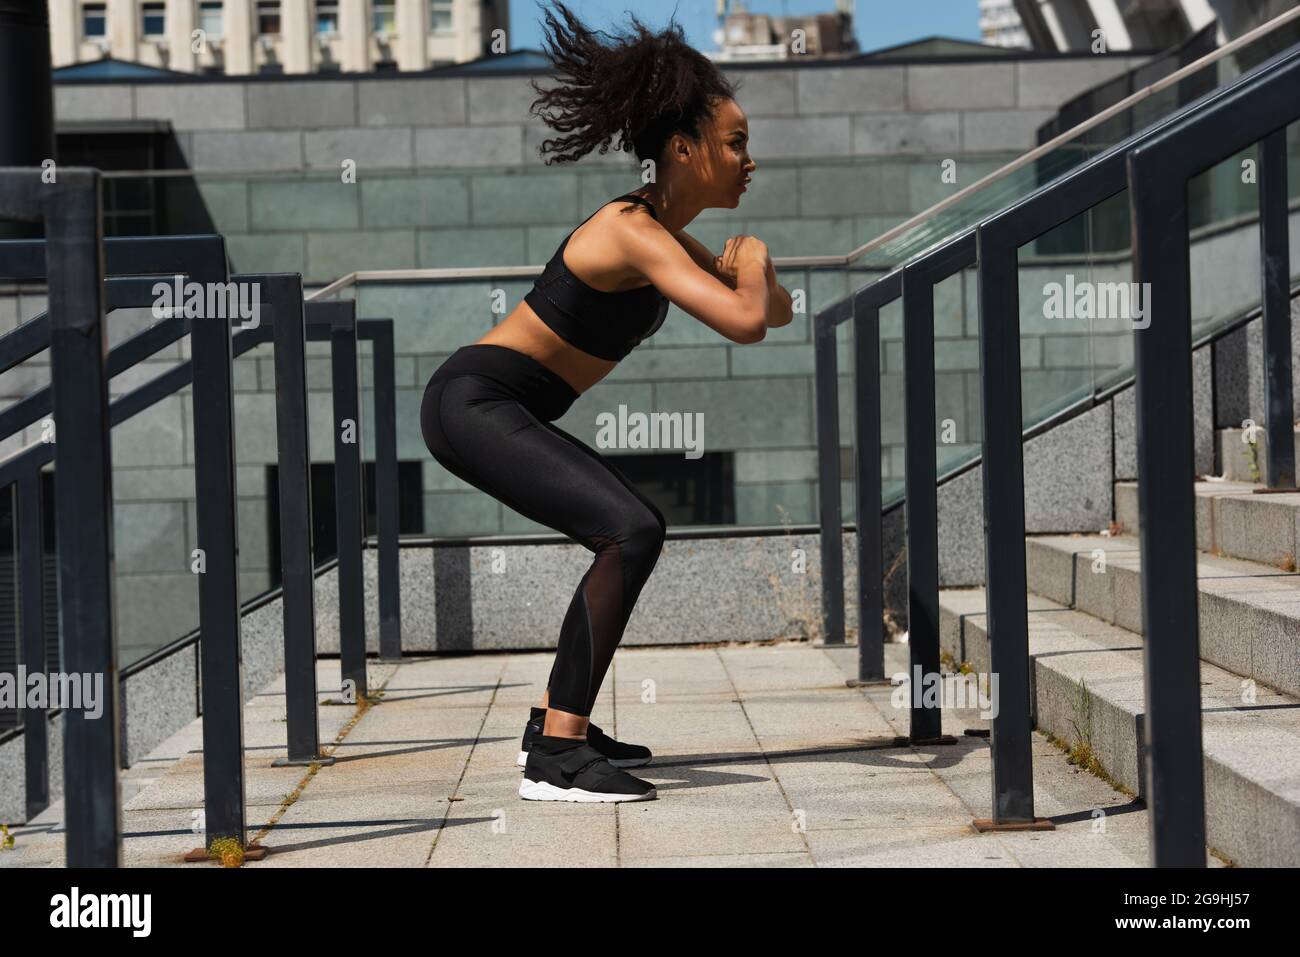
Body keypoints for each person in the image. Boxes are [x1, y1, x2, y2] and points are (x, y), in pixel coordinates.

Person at [419, 1, 793, 803]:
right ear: (684, 149)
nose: (748, 160)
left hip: (501, 404)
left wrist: (754, 269)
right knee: (630, 529)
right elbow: (746, 320)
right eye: (736, 143)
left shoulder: (662, 228)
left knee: (629, 528)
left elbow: (772, 308)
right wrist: (753, 261)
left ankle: (563, 724)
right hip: (473, 399)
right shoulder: (632, 230)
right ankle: (557, 756)